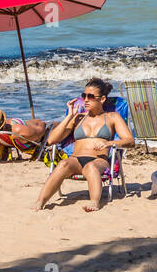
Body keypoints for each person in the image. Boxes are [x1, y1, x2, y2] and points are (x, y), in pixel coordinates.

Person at [35, 79, 134, 211]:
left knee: (91, 167)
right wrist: (69, 116)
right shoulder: (78, 118)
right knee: (63, 164)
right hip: (75, 159)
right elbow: (52, 140)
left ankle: (94, 202)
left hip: (99, 160)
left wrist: (109, 143)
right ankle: (40, 201)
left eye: (91, 96)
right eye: (84, 96)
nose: (85, 100)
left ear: (102, 99)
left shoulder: (112, 117)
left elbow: (130, 141)